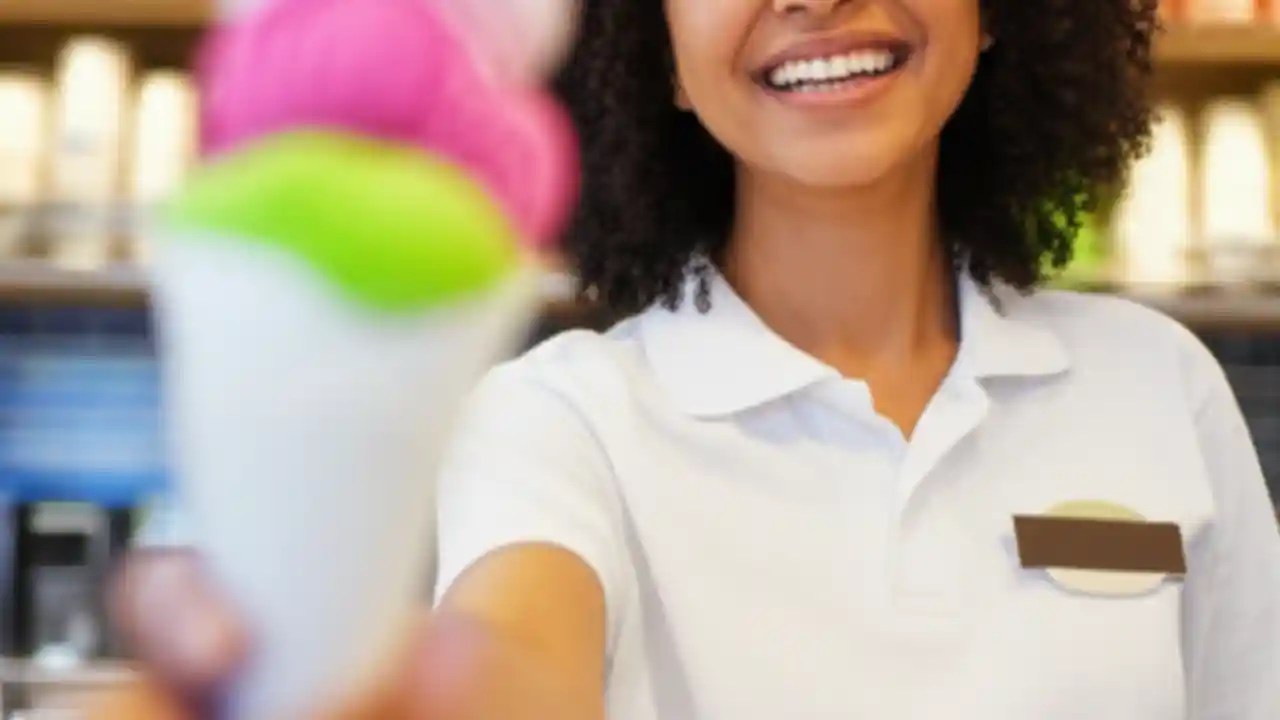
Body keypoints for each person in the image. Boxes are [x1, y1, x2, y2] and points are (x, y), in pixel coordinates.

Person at [95, 0, 1280, 718]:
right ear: (652, 45)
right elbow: (515, 657)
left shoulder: (1155, 385)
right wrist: (372, 678)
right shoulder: (561, 417)